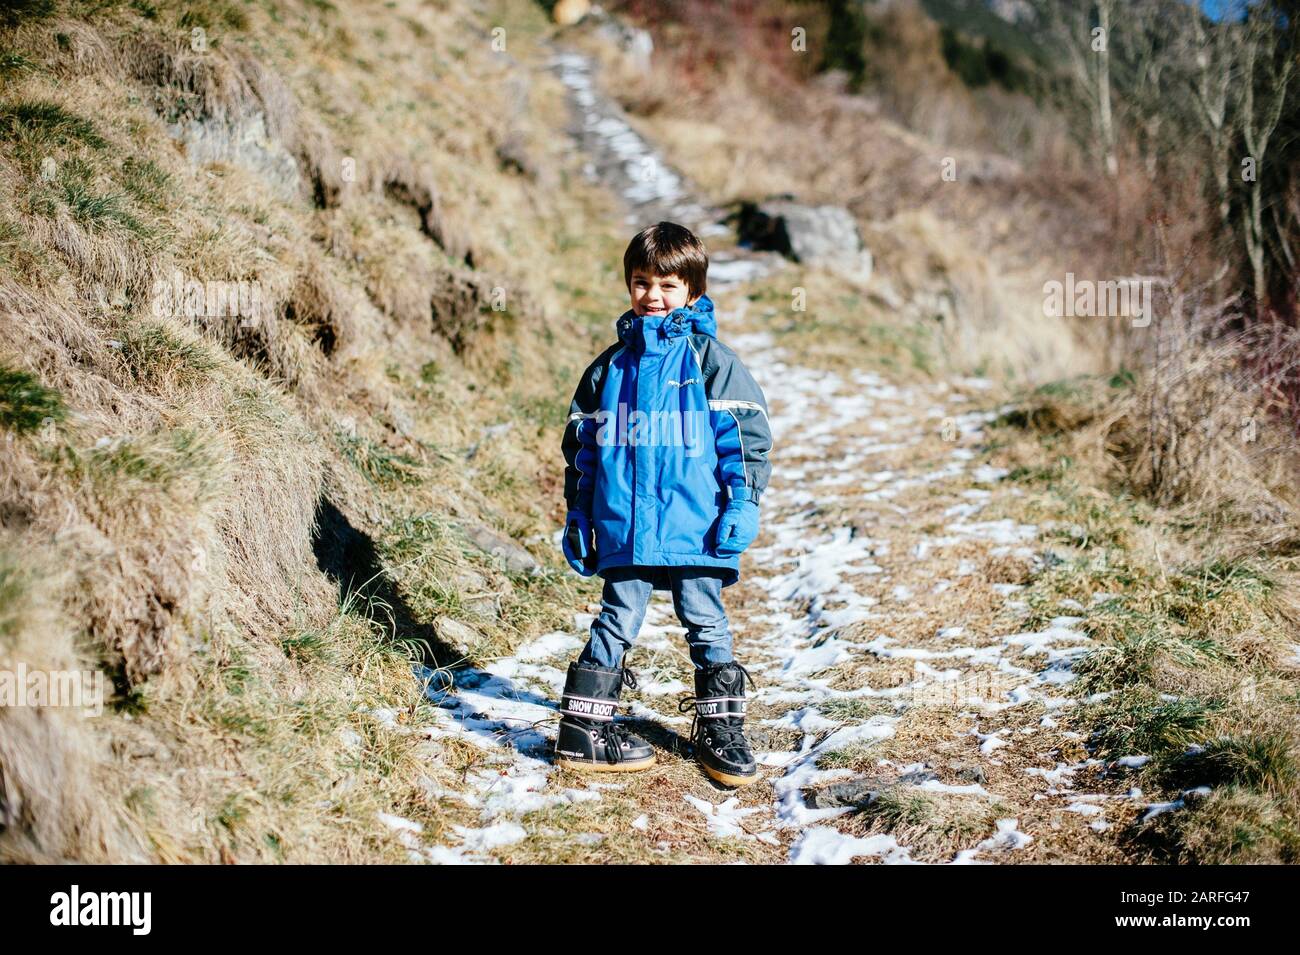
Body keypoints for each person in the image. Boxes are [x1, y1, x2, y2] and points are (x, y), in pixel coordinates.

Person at [554, 221, 773, 786]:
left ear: (693, 292)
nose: (652, 295)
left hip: (695, 524)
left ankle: (722, 728)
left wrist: (741, 503)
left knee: (704, 618)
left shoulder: (710, 361)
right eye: (641, 282)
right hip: (624, 524)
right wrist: (579, 512)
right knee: (618, 616)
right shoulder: (607, 368)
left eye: (668, 285)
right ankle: (582, 729)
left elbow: (744, 438)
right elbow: (582, 446)